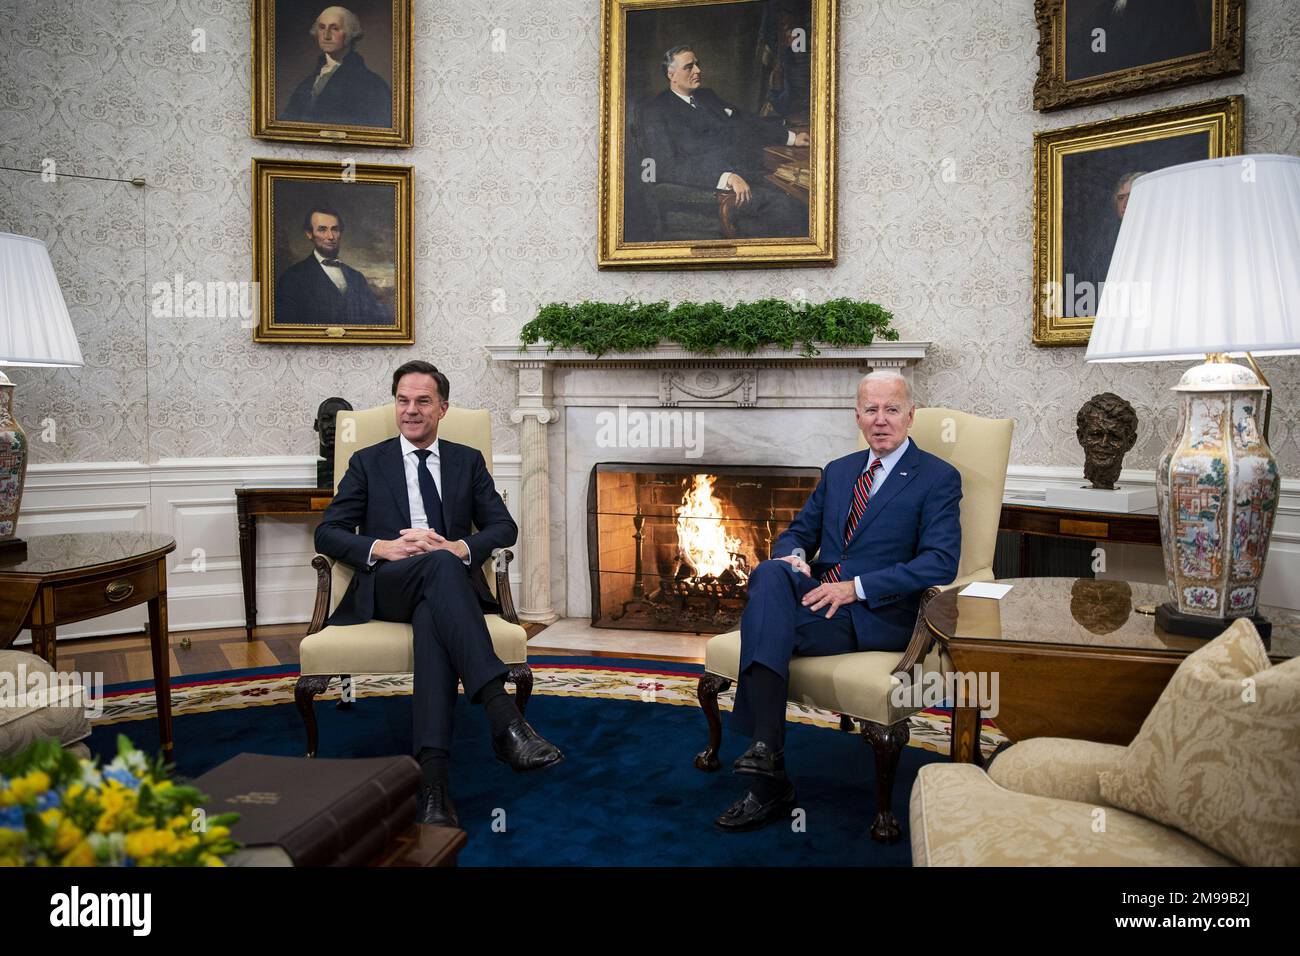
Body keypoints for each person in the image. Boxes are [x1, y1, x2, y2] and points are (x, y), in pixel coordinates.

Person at [314, 361, 563, 827]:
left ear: (442, 409)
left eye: (422, 401)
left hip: (444, 590)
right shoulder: (368, 461)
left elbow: (503, 527)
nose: (411, 410)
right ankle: (502, 716)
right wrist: (382, 547)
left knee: (436, 610)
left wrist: (460, 546)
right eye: (403, 400)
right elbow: (327, 533)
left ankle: (433, 788)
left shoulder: (467, 460)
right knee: (439, 574)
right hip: (389, 584)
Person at [715, 370, 962, 832]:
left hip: (880, 614)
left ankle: (767, 777)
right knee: (772, 570)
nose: (881, 420)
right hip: (822, 600)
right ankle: (768, 758)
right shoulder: (840, 470)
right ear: (857, 417)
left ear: (911, 415)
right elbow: (798, 532)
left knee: (763, 627)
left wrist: (857, 587)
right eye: (871, 410)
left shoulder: (938, 478)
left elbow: (940, 563)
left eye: (892, 409)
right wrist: (794, 556)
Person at [637, 44, 810, 238]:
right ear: (671, 75)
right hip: (711, 194)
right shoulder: (656, 111)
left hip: (751, 177)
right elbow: (666, 167)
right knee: (795, 209)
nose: (698, 70)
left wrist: (792, 138)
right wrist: (725, 177)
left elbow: (746, 120)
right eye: (689, 67)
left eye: (697, 64)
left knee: (802, 196)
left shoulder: (706, 96)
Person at [274, 206, 391, 326]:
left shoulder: (357, 277)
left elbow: (375, 321)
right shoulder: (292, 278)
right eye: (322, 229)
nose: (331, 236)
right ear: (309, 234)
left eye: (335, 229)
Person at [283, 6, 392, 128]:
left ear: (350, 33)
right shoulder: (306, 85)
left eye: (335, 28)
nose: (326, 35)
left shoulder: (372, 85)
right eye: (322, 27)